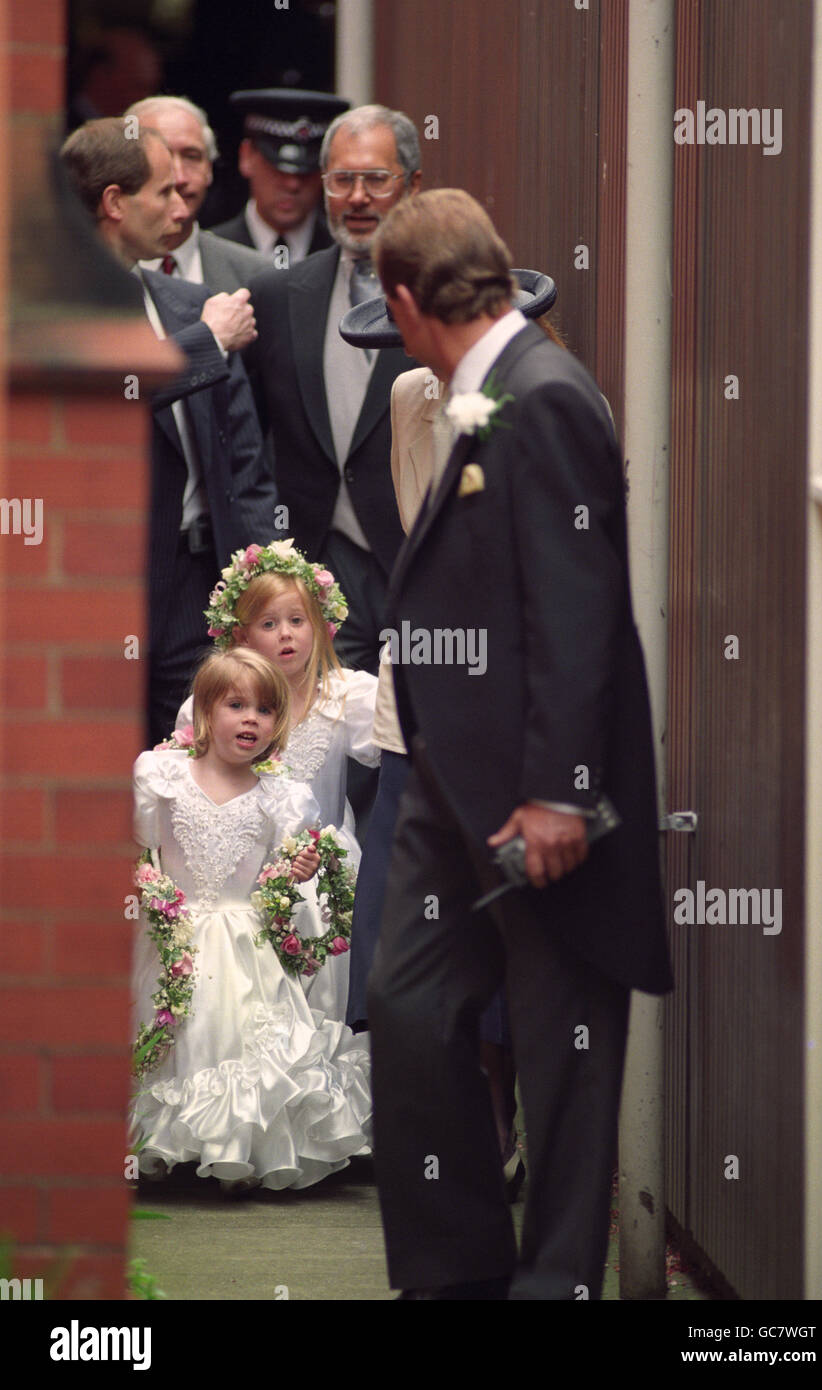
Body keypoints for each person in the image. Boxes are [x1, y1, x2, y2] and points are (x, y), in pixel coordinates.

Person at [366, 189, 673, 1300]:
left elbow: (577, 610)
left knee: (564, 1064)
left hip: (540, 808)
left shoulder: (541, 396)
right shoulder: (478, 391)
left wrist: (555, 795)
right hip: (448, 793)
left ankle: (552, 1287)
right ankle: (451, 1278)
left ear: (406, 301)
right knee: (405, 1014)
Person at [340, 271, 559, 1205]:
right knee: (402, 938)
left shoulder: (547, 396)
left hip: (504, 718)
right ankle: (441, 1128)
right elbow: (413, 525)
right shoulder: (407, 395)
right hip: (413, 704)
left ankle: (500, 1122)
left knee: (502, 933)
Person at [59, 118, 277, 746]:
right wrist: (206, 343)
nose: (182, 209)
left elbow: (244, 464)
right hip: (100, 579)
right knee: (100, 763)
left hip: (196, 582)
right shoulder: (54, 298)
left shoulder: (188, 301)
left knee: (195, 769)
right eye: (164, 193)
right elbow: (105, 391)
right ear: (113, 202)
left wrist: (265, 580)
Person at [131, 647, 372, 1194]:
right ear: (205, 713)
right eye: (235, 705)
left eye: (264, 710)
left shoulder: (282, 798)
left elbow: (279, 876)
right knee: (182, 1033)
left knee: (243, 1034)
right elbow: (140, 851)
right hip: (176, 934)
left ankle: (232, 1149)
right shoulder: (162, 776)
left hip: (247, 941)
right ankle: (168, 1146)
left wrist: (299, 868)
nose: (250, 719)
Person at [243, 104, 422, 679]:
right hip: (318, 571)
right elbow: (247, 440)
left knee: (410, 747)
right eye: (342, 180)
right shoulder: (277, 294)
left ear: (413, 185)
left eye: (376, 179)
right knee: (327, 754)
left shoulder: (446, 297)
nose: (358, 197)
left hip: (418, 567)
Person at [172, 540, 379, 1022]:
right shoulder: (217, 706)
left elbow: (399, 747)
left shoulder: (342, 694)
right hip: (241, 869)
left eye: (297, 621)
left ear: (319, 626)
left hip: (321, 869)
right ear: (241, 637)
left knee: (319, 1005)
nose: (286, 635)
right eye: (269, 624)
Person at [126, 96, 272, 292]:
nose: (179, 177)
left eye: (192, 157)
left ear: (209, 170)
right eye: (161, 157)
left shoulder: (256, 276)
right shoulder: (94, 270)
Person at [210, 88, 348, 264]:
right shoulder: (211, 253)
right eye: (277, 170)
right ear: (246, 157)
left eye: (305, 171)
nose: (292, 184)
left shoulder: (343, 253)